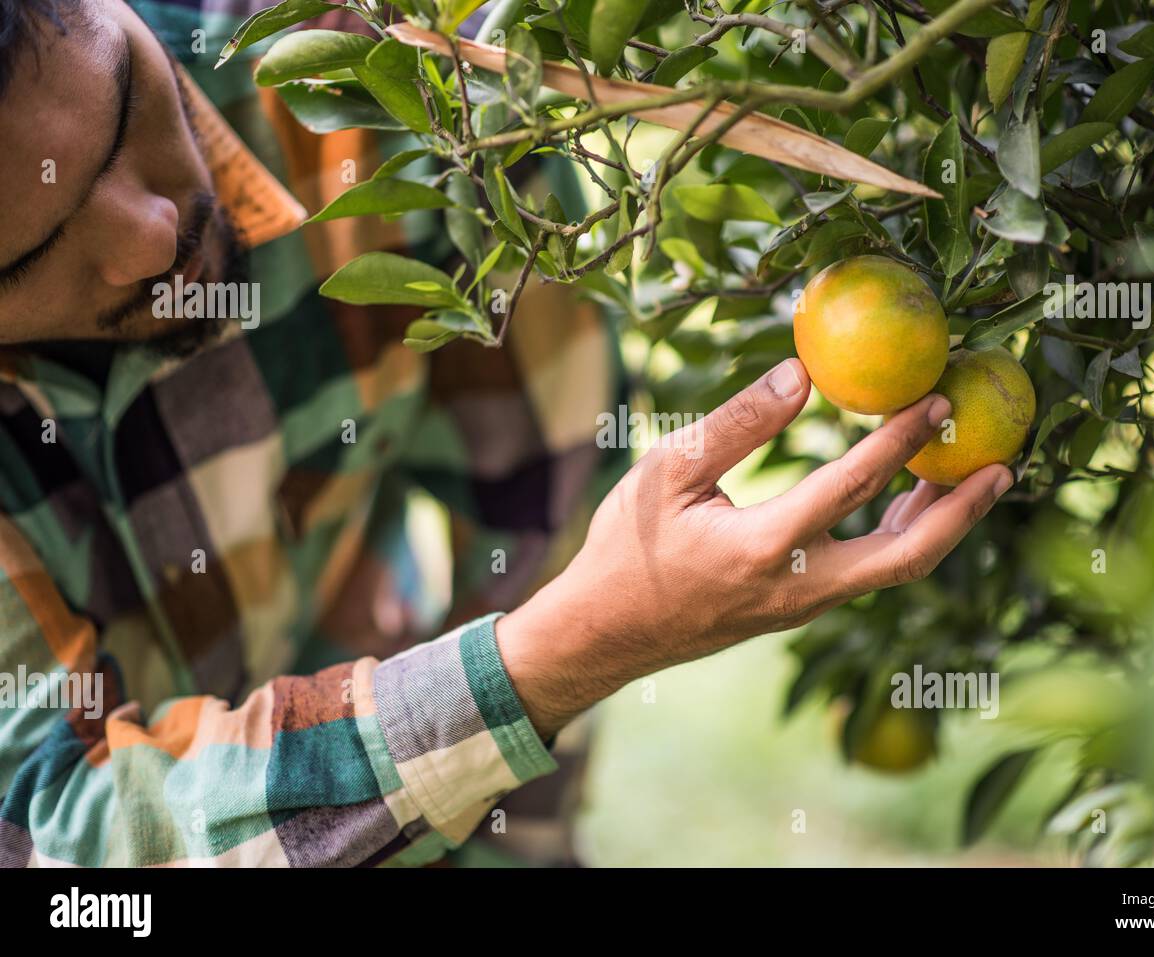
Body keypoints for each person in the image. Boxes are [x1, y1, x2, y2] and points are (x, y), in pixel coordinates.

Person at [0, 0, 1013, 867]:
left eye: (130, 97)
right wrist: (552, 656)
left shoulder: (373, 85)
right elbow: (59, 841)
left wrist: (493, 791)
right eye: (35, 247)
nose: (151, 232)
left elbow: (547, 490)